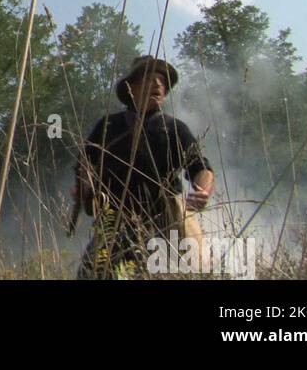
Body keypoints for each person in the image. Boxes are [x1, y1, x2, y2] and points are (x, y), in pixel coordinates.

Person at [71, 55, 214, 279]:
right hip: (113, 224)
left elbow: (201, 168)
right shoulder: (108, 126)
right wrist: (85, 190)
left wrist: (202, 190)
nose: (158, 84)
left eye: (162, 81)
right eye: (150, 78)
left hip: (164, 225)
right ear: (131, 88)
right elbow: (84, 165)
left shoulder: (175, 129)